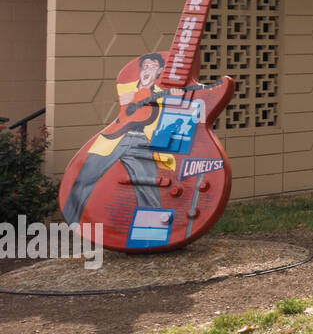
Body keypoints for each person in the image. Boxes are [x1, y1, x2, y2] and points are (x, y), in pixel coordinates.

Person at [62, 53, 209, 225]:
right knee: (83, 178)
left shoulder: (165, 93)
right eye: (145, 66)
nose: (147, 70)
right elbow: (129, 99)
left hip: (143, 143)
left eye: (152, 67)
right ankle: (71, 224)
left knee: (149, 190)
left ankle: (151, 233)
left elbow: (178, 119)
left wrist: (176, 98)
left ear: (160, 71)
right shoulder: (126, 86)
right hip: (114, 139)